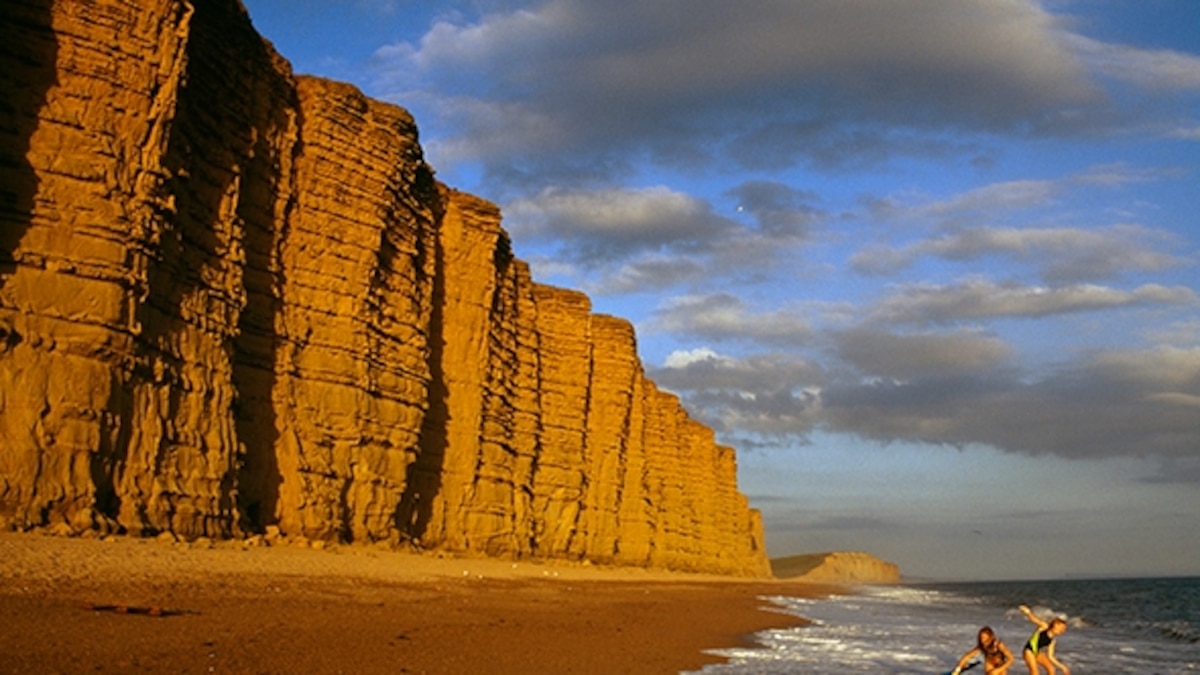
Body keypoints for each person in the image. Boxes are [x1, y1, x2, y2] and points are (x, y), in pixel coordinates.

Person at [1019, 604, 1070, 675]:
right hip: (1029, 651)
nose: (1062, 630)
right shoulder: (1044, 626)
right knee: (1035, 673)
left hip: (1038, 653)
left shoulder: (1052, 641)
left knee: (1051, 669)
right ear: (1055, 624)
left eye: (1064, 629)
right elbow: (1033, 619)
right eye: (1061, 627)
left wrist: (1062, 667)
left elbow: (1051, 657)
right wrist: (1028, 612)